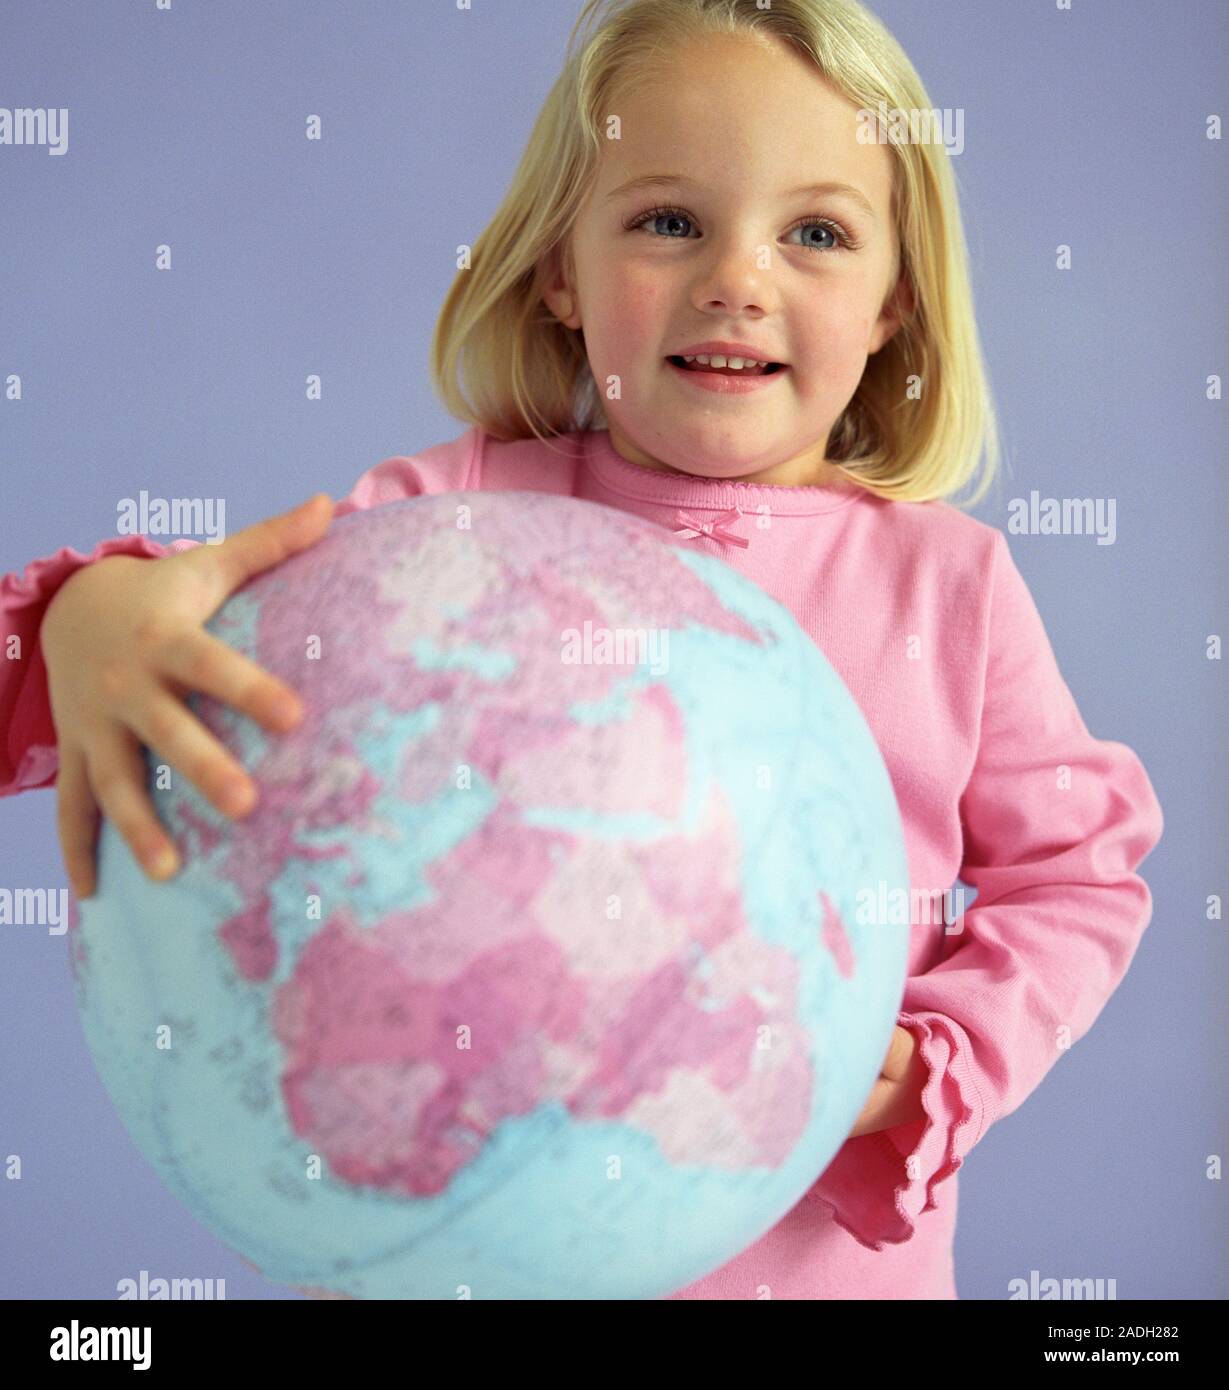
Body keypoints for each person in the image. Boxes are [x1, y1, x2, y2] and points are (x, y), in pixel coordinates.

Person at [0, 0, 1162, 1299]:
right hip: (449, 1251)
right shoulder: (437, 523)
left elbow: (1081, 874)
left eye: (815, 232)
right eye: (668, 220)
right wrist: (85, 618)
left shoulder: (946, 587)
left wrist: (952, 1050)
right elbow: (213, 662)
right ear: (561, 265)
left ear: (893, 300)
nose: (738, 276)